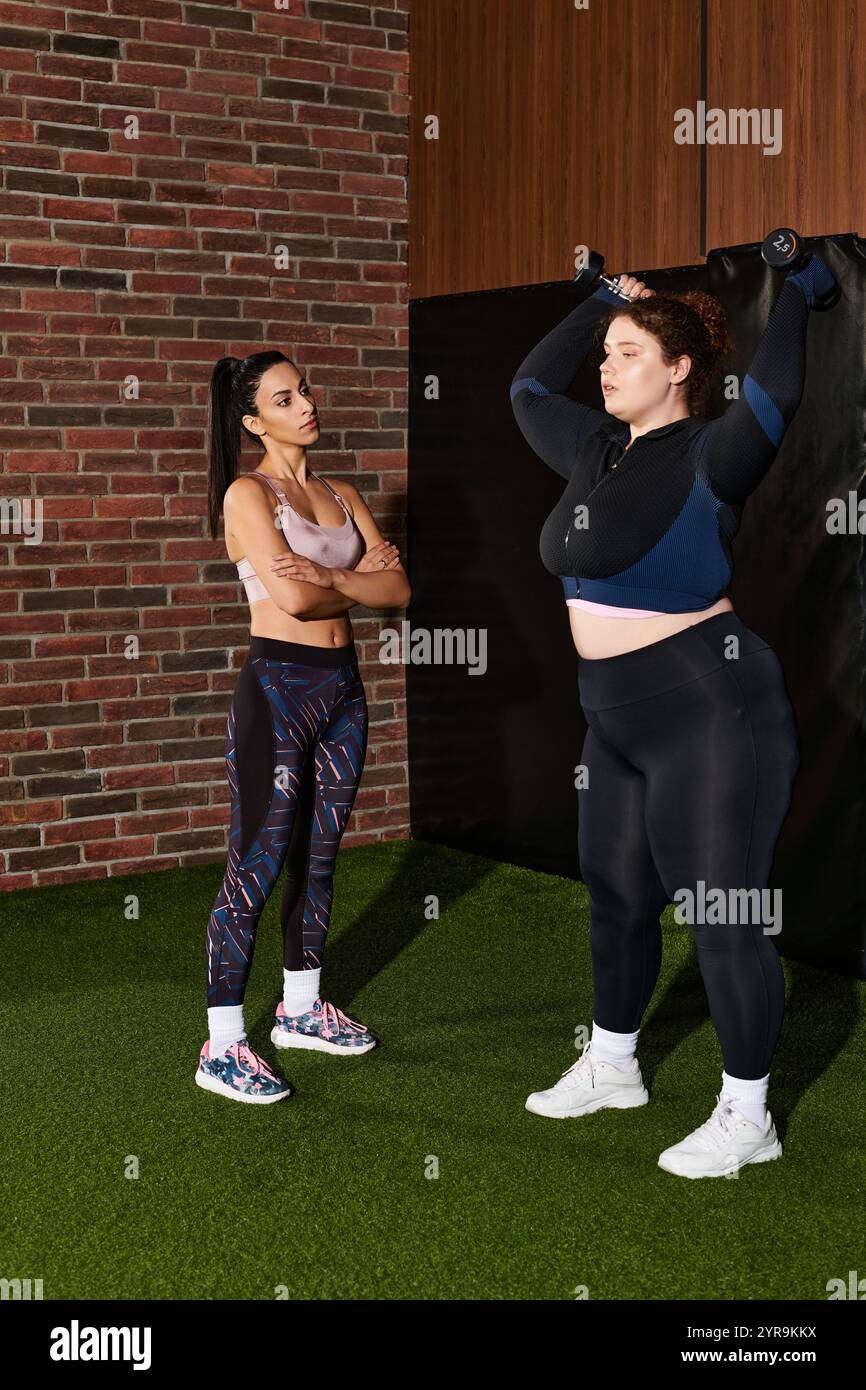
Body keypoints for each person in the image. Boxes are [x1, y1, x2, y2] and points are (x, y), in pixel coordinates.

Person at [509, 252, 839, 1176]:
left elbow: (773, 396)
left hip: (707, 700)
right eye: (605, 354)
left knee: (722, 908)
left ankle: (749, 1116)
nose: (604, 367)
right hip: (611, 712)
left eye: (625, 353)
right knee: (615, 892)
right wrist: (609, 301)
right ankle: (614, 1064)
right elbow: (530, 385)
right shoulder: (592, 446)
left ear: (680, 369)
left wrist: (800, 296)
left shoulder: (710, 454)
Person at [196, 351, 410, 1104]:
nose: (306, 404)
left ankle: (300, 1009)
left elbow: (399, 588)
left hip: (344, 691)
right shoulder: (245, 495)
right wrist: (353, 581)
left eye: (306, 390)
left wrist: (330, 578)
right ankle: (221, 1044)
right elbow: (292, 605)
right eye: (285, 398)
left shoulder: (342, 492)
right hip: (278, 690)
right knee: (255, 865)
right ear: (254, 420)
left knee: (320, 856)